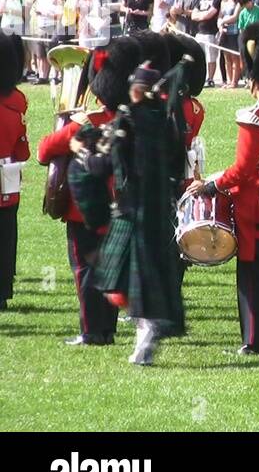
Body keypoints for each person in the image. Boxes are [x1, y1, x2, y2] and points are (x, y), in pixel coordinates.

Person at [186, 22, 259, 355]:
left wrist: (211, 185)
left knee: (251, 274)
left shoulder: (254, 117)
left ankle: (254, 340)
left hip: (254, 205)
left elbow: (244, 169)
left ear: (254, 77)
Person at [38, 35, 144, 346]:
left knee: (84, 268)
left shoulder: (86, 121)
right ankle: (107, 328)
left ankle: (91, 331)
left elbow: (44, 151)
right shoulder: (134, 120)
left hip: (84, 207)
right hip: (123, 203)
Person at [83, 62, 187, 365]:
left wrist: (83, 149)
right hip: (161, 210)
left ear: (134, 91)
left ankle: (147, 330)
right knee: (150, 275)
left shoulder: (125, 121)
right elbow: (177, 163)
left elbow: (102, 167)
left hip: (130, 210)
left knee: (121, 277)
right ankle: (149, 326)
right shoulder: (168, 121)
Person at [0, 31, 28, 312]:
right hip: (8, 173)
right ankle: (3, 289)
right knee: (7, 232)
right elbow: (24, 150)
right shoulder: (18, 100)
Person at [191, 0, 221, 87]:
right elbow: (193, 15)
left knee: (211, 57)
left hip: (211, 33)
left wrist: (202, 15)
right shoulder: (200, 0)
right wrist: (202, 16)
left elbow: (210, 14)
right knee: (200, 56)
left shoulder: (217, 0)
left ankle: (210, 78)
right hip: (199, 33)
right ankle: (201, 78)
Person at [218, 0, 243, 89]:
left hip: (234, 32)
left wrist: (223, 22)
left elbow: (235, 17)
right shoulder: (224, 2)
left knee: (235, 58)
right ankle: (229, 81)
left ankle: (234, 82)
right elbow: (220, 16)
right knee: (226, 57)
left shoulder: (239, 2)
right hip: (225, 33)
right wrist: (220, 25)